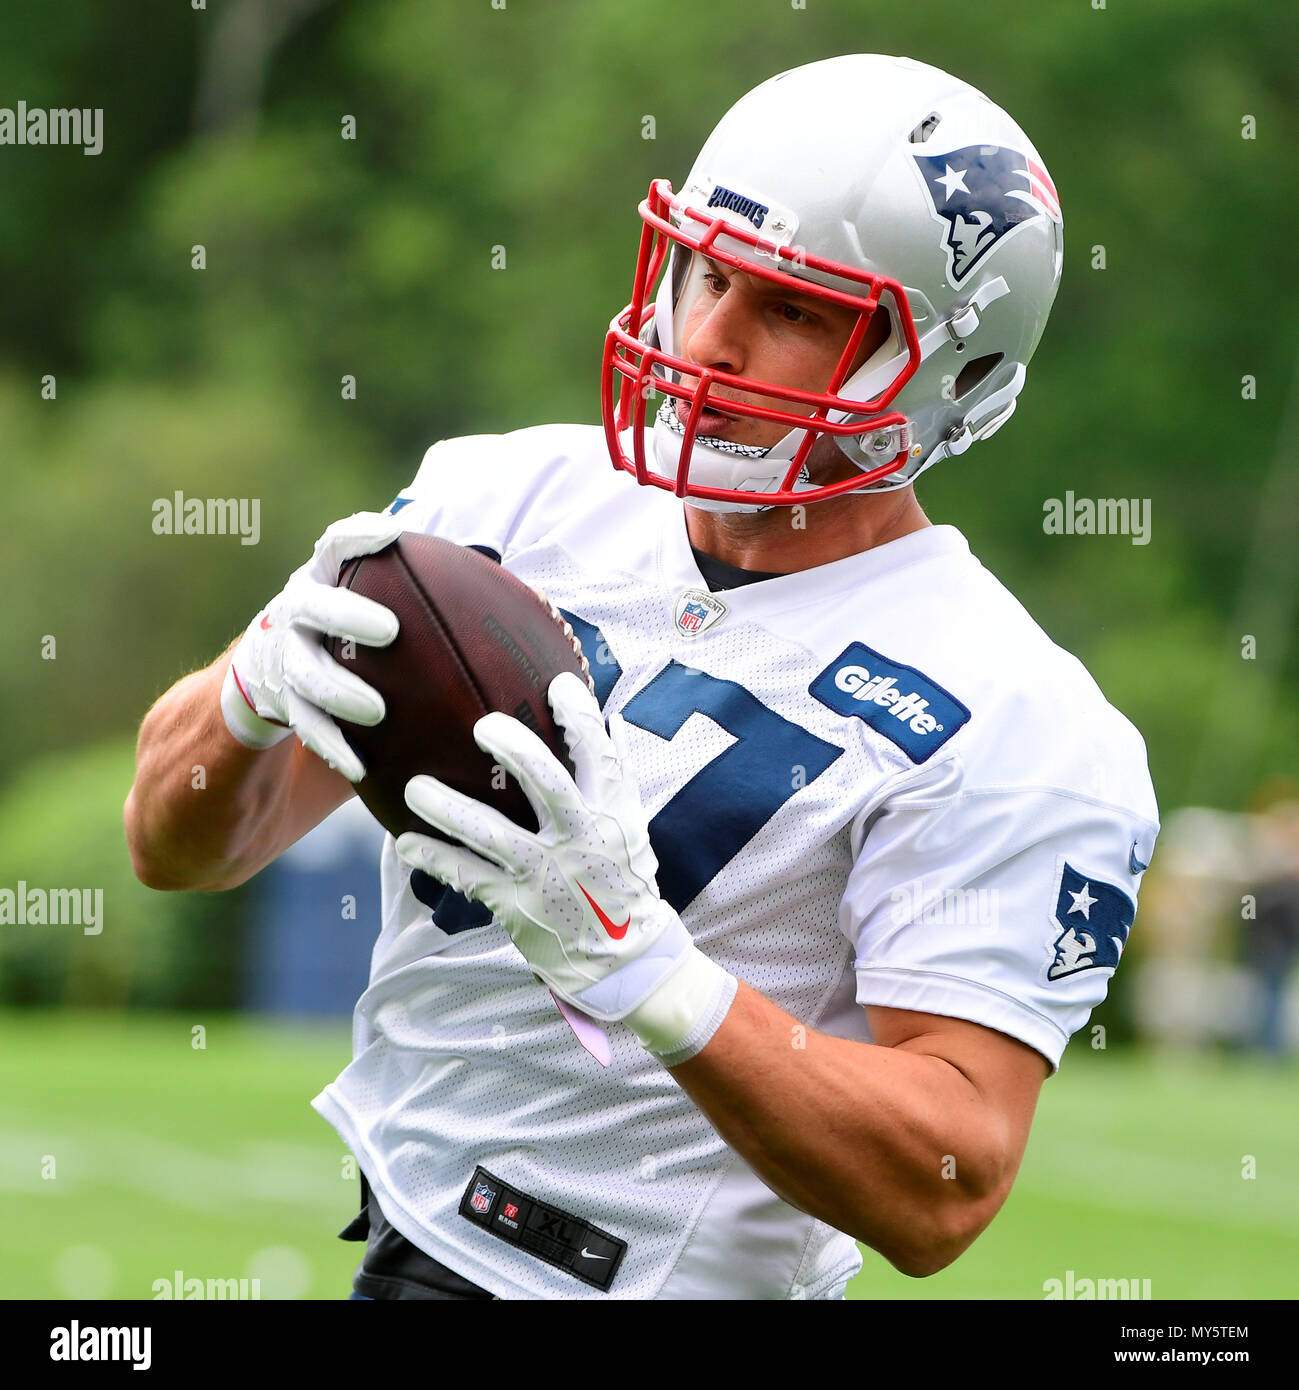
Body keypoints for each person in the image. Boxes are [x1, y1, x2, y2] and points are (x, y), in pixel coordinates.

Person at [125, 53, 1160, 1300]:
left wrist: (648, 972)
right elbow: (178, 847)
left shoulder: (1018, 715)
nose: (709, 337)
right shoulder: (501, 500)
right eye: (706, 273)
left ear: (945, 374)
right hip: (405, 1240)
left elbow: (946, 1182)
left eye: (792, 311)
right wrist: (249, 691)